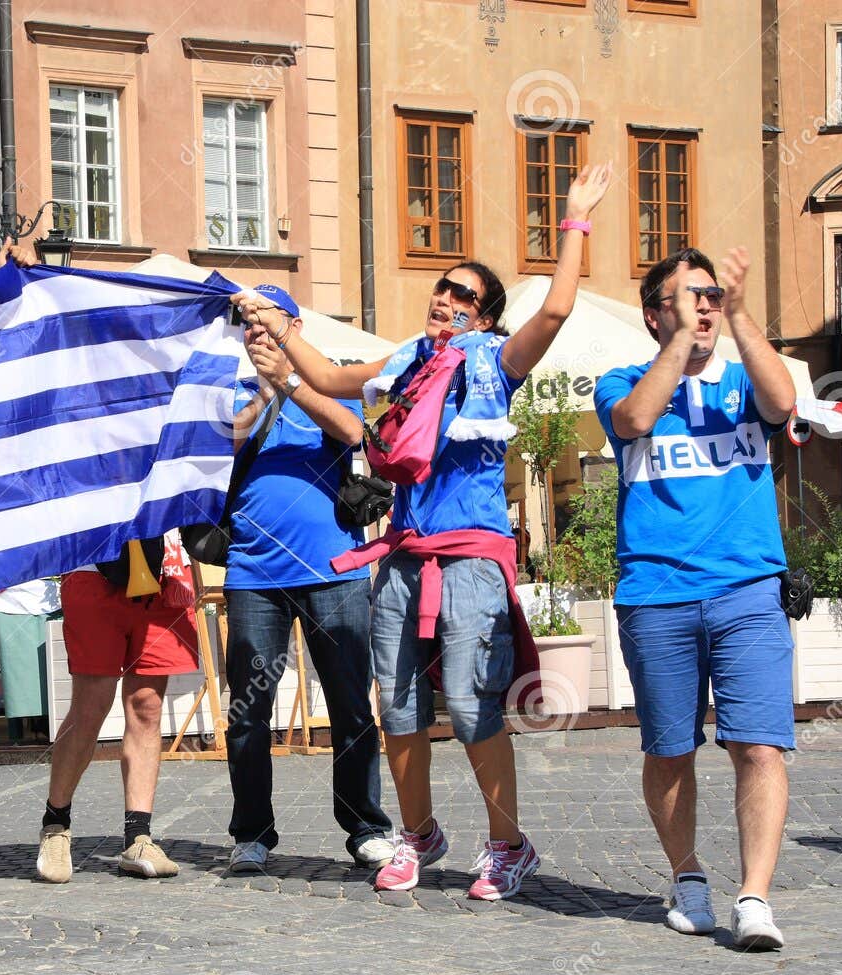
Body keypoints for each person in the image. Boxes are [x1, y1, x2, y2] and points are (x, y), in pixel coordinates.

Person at [234, 162, 613, 902]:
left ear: (485, 315)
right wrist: (280, 330)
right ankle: (417, 835)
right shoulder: (409, 358)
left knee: (471, 702)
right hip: (405, 553)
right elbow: (334, 378)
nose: (445, 297)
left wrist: (574, 218)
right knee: (397, 703)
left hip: (471, 554)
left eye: (462, 293)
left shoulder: (496, 361)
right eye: (441, 286)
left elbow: (558, 310)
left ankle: (507, 844)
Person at [594, 246, 796, 950]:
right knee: (670, 748)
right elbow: (634, 420)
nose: (704, 305)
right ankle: (688, 877)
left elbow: (784, 403)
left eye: (712, 294)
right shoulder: (622, 379)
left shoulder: (745, 379)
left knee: (760, 746)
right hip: (657, 594)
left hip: (747, 588)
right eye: (688, 297)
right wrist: (681, 340)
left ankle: (755, 897)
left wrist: (737, 312)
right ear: (655, 314)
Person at [222, 285, 394, 874]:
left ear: (293, 326)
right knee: (248, 712)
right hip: (253, 574)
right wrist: (266, 393)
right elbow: (222, 447)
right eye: (248, 325)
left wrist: (292, 382)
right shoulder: (234, 392)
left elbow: (353, 431)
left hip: (334, 570)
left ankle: (366, 827)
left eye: (267, 322)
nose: (257, 333)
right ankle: (251, 833)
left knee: (350, 704)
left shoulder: (329, 379)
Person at [36, 530, 200, 883]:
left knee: (147, 706)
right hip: (94, 566)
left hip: (165, 568)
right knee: (90, 707)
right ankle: (55, 825)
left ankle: (138, 836)